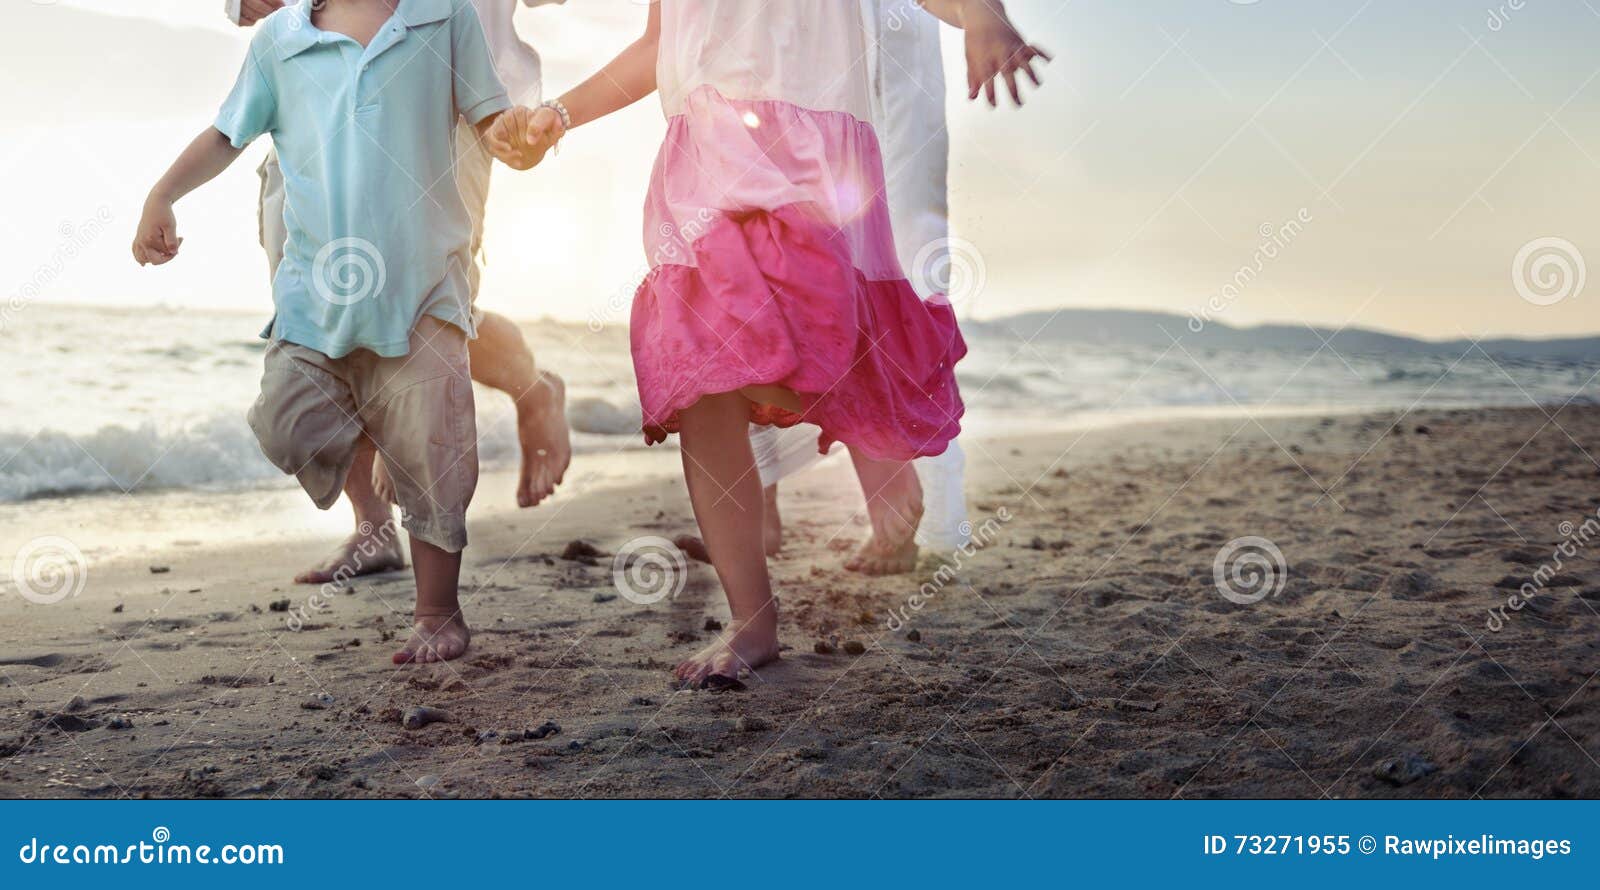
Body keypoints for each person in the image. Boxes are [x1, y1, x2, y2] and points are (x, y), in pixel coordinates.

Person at [488, 0, 1048, 686]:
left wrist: (983, 17)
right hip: (703, 165)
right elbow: (657, 45)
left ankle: (877, 448)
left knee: (822, 352)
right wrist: (560, 115)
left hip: (812, 163)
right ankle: (752, 622)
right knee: (704, 379)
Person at [137, 0, 549, 663]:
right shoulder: (282, 37)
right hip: (315, 294)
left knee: (434, 459)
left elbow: (489, 117)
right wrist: (162, 194)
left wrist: (517, 136)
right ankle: (376, 438)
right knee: (284, 421)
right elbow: (226, 132)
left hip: (422, 287)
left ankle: (438, 613)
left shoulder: (444, 17)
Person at [228, 0, 572, 587]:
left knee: (432, 306)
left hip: (446, 96)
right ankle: (372, 526)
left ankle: (531, 391)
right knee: (321, 312)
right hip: (316, 92)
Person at [720, 0, 1045, 573]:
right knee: (752, 271)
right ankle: (757, 509)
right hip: (755, 69)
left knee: (885, 272)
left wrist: (979, 12)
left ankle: (900, 497)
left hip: (875, 68)